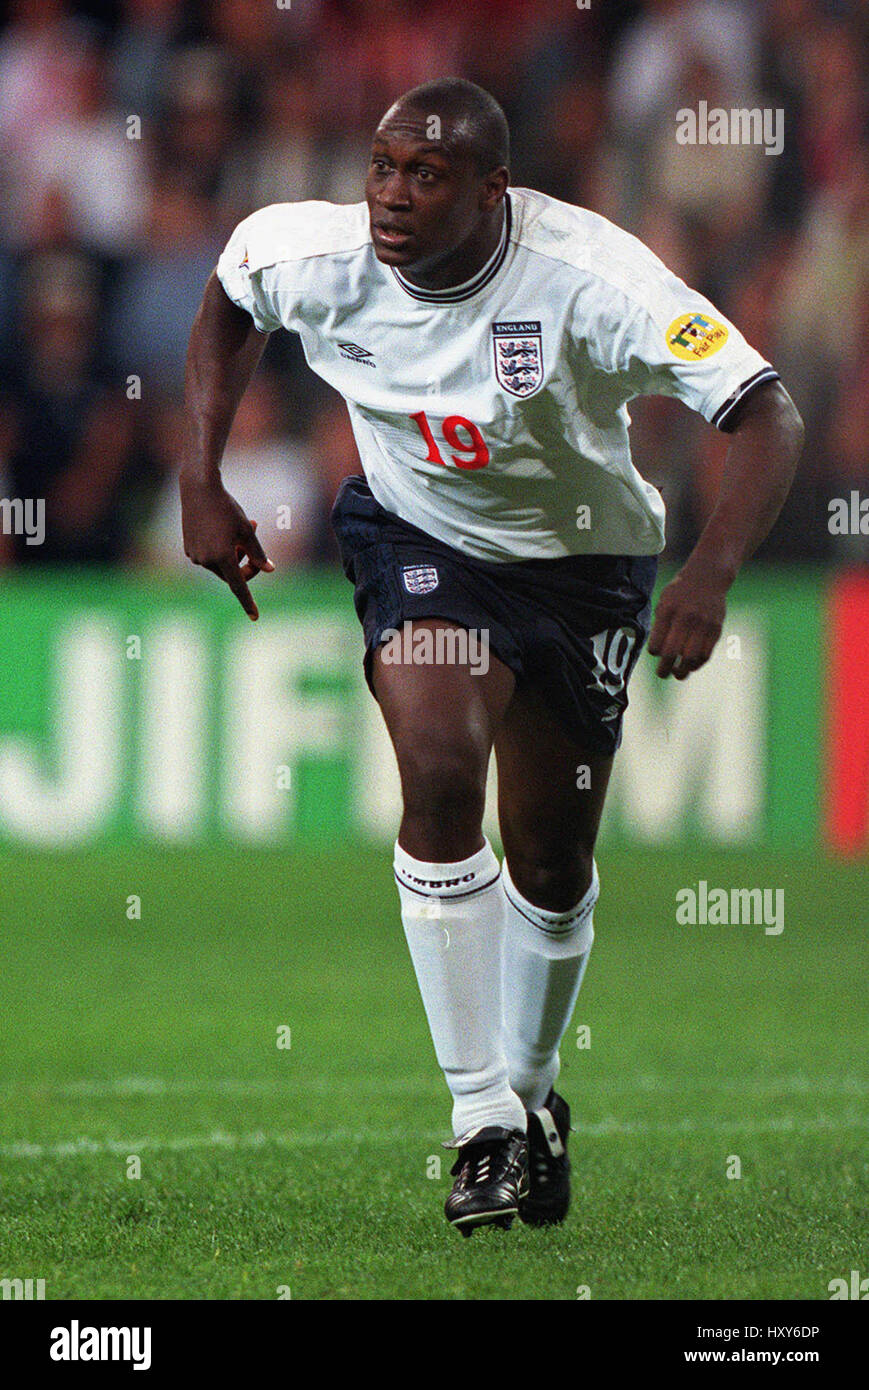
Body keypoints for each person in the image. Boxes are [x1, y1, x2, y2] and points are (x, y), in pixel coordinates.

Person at [179, 78, 803, 1236]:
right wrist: (198, 474)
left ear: (490, 190)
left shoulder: (592, 278)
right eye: (380, 168)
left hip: (583, 571)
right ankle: (481, 1120)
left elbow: (766, 412)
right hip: (421, 539)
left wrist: (709, 572)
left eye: (425, 176)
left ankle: (529, 1092)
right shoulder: (310, 251)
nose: (392, 197)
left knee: (552, 862)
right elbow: (228, 297)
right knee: (435, 764)